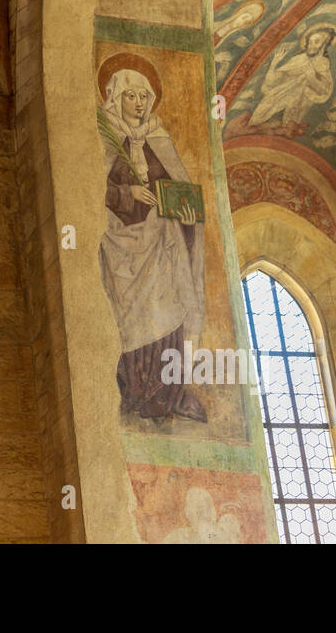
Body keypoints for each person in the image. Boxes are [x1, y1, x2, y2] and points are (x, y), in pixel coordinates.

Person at [97, 66, 206, 422]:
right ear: (115, 97)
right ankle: (132, 387)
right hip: (119, 243)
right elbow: (89, 186)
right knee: (130, 317)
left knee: (168, 307)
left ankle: (166, 393)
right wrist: (126, 193)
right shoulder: (104, 134)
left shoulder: (158, 136)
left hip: (162, 240)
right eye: (131, 95)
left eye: (144, 96)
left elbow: (179, 184)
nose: (139, 103)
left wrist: (187, 212)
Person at [248, 24, 336, 128]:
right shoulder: (298, 59)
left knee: (284, 129)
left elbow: (324, 91)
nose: (311, 45)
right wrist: (273, 65)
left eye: (316, 42)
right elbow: (271, 82)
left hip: (294, 110)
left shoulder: (323, 64)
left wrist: (311, 77)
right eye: (310, 42)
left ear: (324, 44)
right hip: (274, 102)